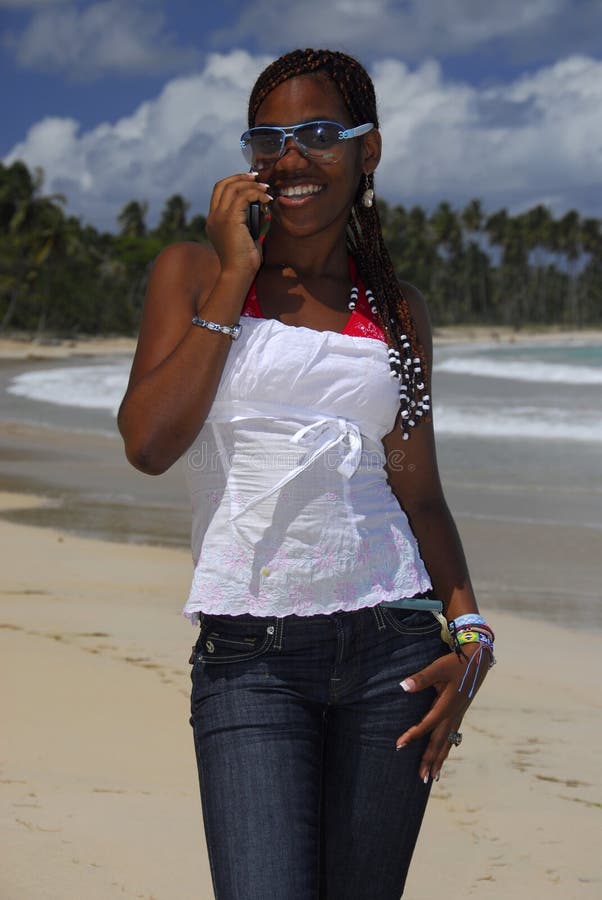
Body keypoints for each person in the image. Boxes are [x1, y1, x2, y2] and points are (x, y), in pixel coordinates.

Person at [118, 48, 494, 900]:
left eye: (320, 134)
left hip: (393, 648)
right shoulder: (194, 273)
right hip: (250, 658)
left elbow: (418, 490)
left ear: (370, 150)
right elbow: (148, 442)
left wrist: (472, 639)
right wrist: (234, 277)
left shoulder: (394, 309)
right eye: (269, 138)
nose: (290, 158)